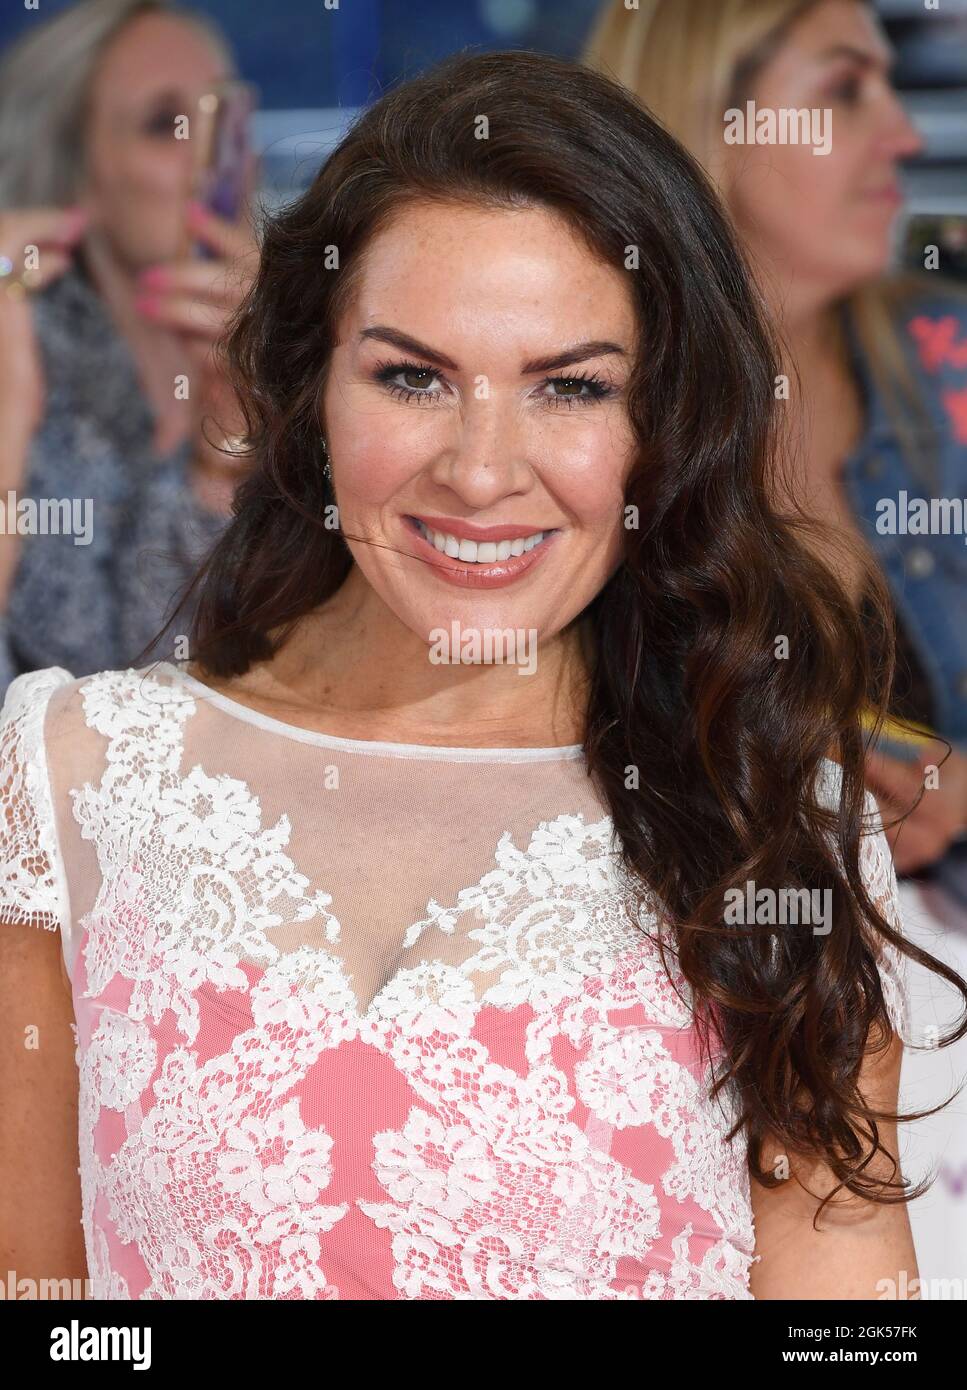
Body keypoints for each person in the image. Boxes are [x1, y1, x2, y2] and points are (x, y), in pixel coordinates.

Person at [2, 47, 966, 1302]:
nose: (480, 468)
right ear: (308, 390)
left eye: (570, 387)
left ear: (662, 429)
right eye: (411, 376)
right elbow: (44, 1308)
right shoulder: (72, 776)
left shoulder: (771, 810)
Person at [584, 0, 967, 881]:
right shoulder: (583, 411)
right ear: (705, 121)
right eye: (844, 91)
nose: (903, 136)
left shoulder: (948, 365)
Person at [0, 0, 256, 697]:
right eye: (165, 126)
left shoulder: (314, 355)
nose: (212, 164)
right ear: (76, 174)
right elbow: (112, 684)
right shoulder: (26, 358)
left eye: (224, 123)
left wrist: (234, 445)